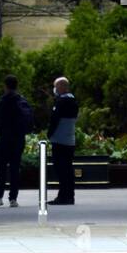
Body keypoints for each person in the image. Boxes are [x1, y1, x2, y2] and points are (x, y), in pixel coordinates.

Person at [0, 74, 33, 208]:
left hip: (5, 139)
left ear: (5, 86)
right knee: (15, 169)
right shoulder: (21, 100)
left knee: (1, 169)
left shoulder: (4, 101)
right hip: (18, 139)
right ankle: (13, 198)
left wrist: (1, 135)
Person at [46, 76, 78, 205]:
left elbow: (55, 120)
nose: (55, 89)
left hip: (60, 140)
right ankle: (69, 196)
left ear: (62, 87)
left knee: (61, 169)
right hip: (70, 139)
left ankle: (63, 196)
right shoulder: (73, 101)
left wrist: (49, 134)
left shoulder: (61, 102)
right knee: (68, 169)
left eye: (56, 86)